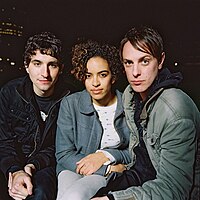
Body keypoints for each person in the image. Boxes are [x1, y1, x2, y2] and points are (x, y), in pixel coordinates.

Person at [92, 26, 200, 200]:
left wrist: (113, 199)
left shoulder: (175, 110)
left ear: (161, 60)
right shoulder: (131, 96)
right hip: (143, 179)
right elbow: (142, 161)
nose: (135, 72)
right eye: (129, 63)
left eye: (144, 61)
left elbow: (174, 189)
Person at [55, 39, 131, 200]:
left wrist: (107, 155)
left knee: (73, 196)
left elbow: (136, 152)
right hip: (71, 167)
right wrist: (107, 169)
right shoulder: (70, 103)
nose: (95, 83)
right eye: (88, 76)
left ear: (113, 76)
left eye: (102, 75)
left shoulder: (128, 105)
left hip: (105, 170)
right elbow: (63, 154)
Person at [0, 32, 72, 200]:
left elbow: (61, 146)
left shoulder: (70, 98)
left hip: (45, 164)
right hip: (9, 160)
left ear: (60, 68)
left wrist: (32, 166)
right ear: (26, 66)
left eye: (52, 65)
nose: (44, 73)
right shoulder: (10, 92)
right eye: (37, 64)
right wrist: (15, 170)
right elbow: (4, 141)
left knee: (40, 192)